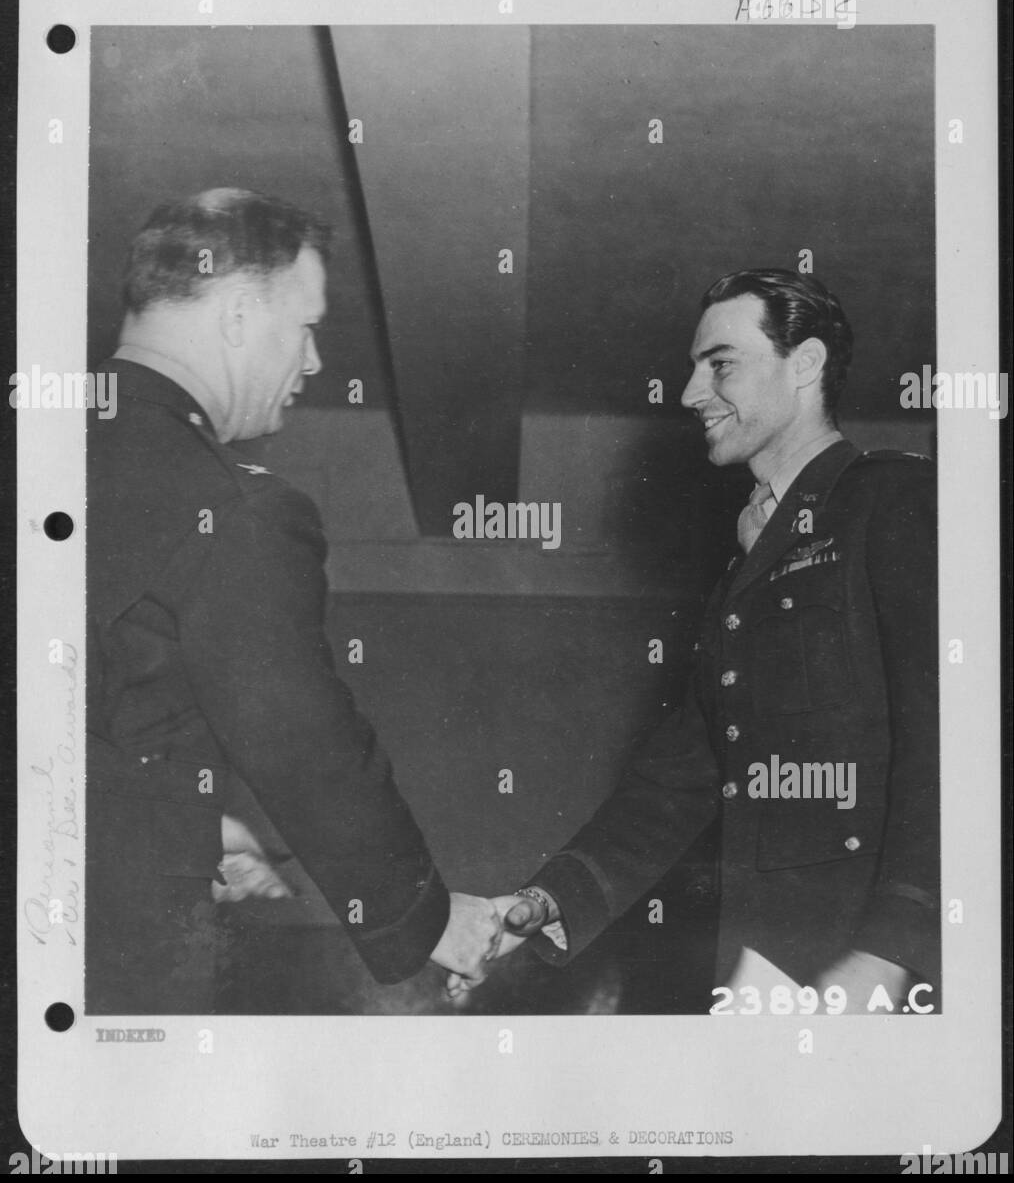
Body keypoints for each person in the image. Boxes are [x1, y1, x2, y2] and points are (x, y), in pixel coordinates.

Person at [465, 269, 939, 1014]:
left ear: (806, 364)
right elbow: (684, 770)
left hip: (872, 969)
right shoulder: (747, 561)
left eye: (720, 364)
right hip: (767, 966)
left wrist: (892, 949)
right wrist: (551, 898)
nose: (690, 394)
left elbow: (949, 737)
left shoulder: (892, 501)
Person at [86, 187, 501, 1013]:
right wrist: (423, 918)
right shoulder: (237, 507)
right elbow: (301, 741)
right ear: (239, 314)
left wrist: (169, 822)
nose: (314, 362)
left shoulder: (49, 447)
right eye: (307, 327)